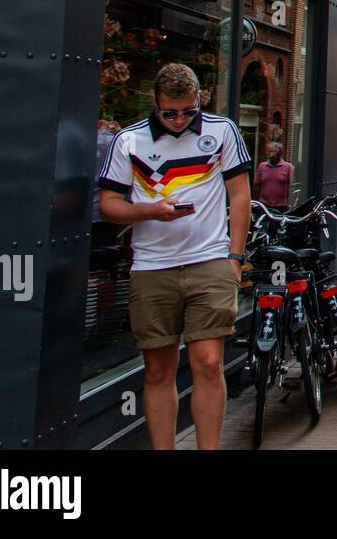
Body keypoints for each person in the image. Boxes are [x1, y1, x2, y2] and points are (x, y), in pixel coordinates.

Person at [97, 63, 253, 449]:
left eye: (189, 110)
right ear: (155, 102)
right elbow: (109, 205)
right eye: (170, 112)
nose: (180, 120)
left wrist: (234, 257)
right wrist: (151, 210)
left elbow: (239, 194)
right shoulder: (129, 141)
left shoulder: (221, 131)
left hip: (210, 260)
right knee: (158, 370)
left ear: (199, 99)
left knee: (209, 361)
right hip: (152, 267)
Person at [254, 141, 293, 211]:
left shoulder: (288, 167)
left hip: (281, 206)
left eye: (273, 151)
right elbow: (257, 185)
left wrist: (289, 203)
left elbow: (291, 187)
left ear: (280, 153)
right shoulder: (262, 166)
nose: (271, 154)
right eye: (269, 151)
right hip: (264, 205)